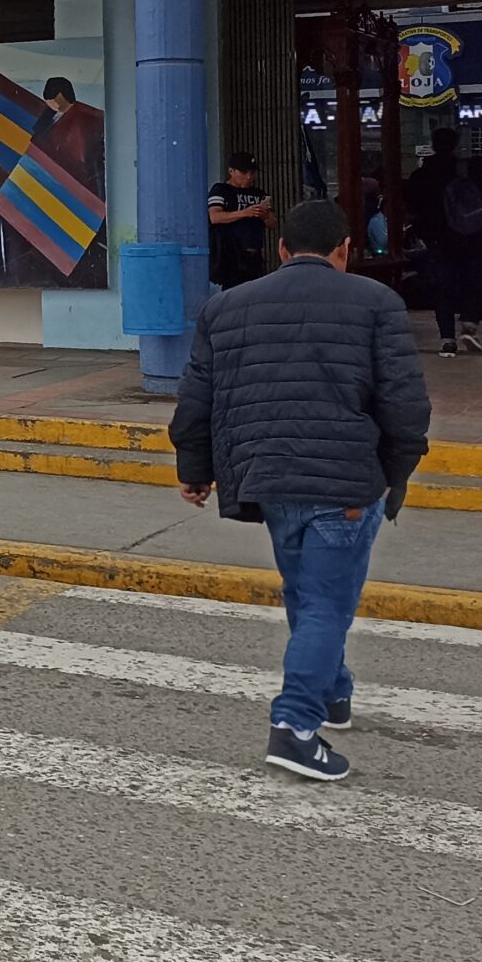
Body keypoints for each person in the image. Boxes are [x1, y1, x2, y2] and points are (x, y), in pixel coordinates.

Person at [170, 196, 432, 783]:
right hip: (344, 481)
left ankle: (333, 692)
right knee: (326, 604)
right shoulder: (377, 302)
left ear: (282, 249)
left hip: (268, 478)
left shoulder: (227, 307)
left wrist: (195, 468)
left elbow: (197, 397)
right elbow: (406, 406)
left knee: (307, 593)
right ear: (346, 250)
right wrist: (395, 472)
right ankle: (295, 728)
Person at [405, 127, 482, 356]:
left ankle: (447, 339)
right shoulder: (467, 170)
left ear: (433, 144)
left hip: (438, 240)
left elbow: (411, 206)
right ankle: (469, 323)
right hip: (470, 237)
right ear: (456, 144)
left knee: (443, 288)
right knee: (475, 281)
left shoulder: (421, 175)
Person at [207, 152, 274, 289]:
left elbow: (273, 223)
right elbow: (215, 217)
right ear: (231, 171)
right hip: (229, 255)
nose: (248, 177)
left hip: (253, 253)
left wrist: (264, 215)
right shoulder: (221, 190)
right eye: (243, 173)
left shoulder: (259, 193)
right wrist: (244, 213)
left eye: (252, 173)